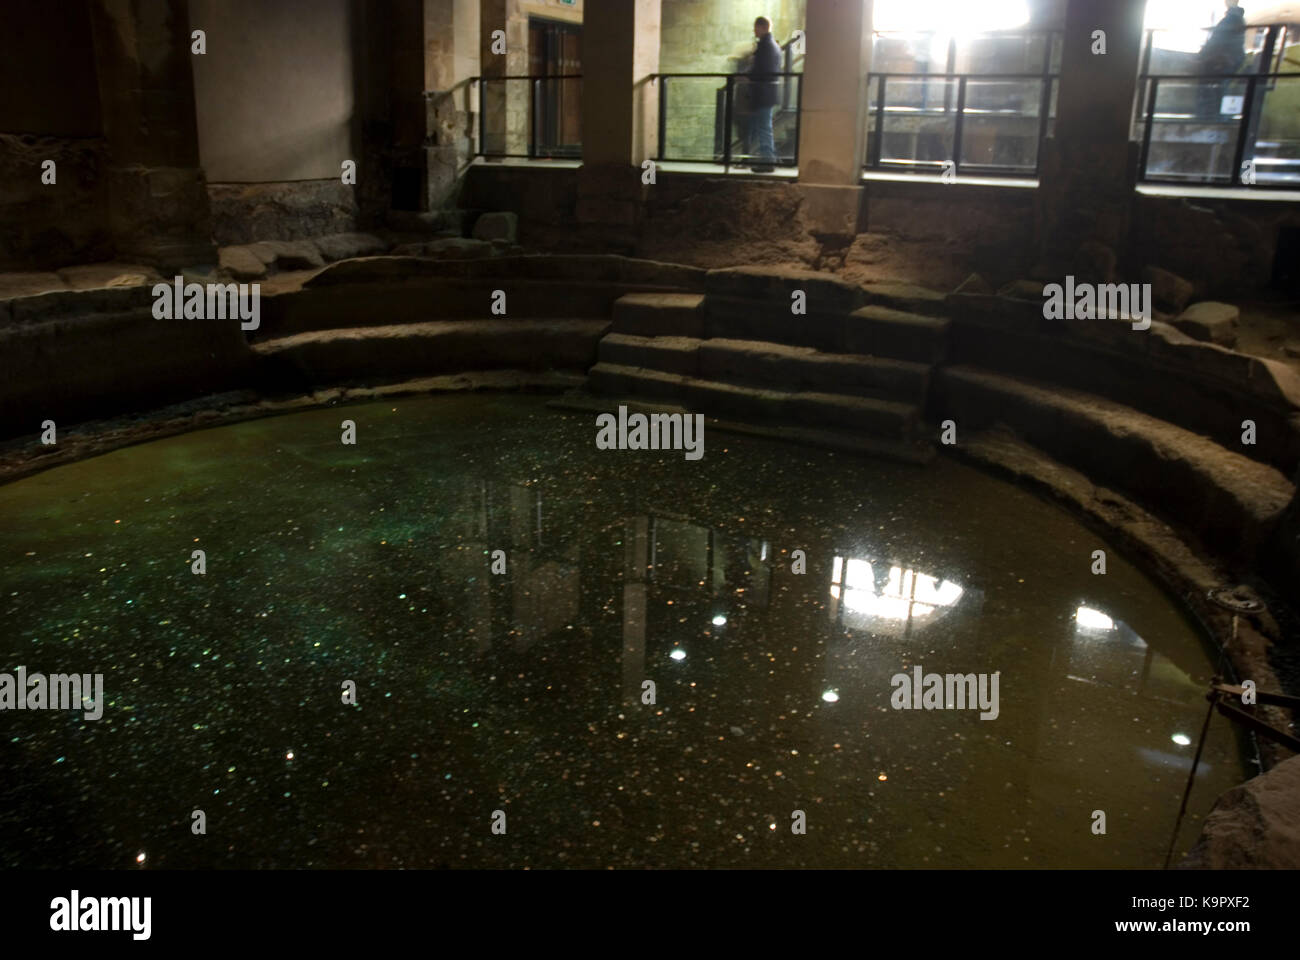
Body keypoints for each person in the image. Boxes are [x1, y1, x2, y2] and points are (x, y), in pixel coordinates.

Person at [743, 17, 782, 172]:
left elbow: (762, 70)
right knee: (760, 127)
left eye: (756, 28)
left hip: (762, 93)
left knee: (763, 129)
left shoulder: (766, 47)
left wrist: (748, 75)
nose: (754, 31)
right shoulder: (773, 45)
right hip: (767, 92)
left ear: (763, 27)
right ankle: (763, 158)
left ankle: (768, 161)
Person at [1196, 1, 1248, 119]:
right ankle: (1216, 117)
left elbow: (1217, 41)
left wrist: (1203, 56)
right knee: (1218, 91)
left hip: (1222, 62)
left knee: (1214, 92)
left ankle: (1211, 119)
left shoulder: (1232, 19)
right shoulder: (1235, 19)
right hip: (1225, 61)